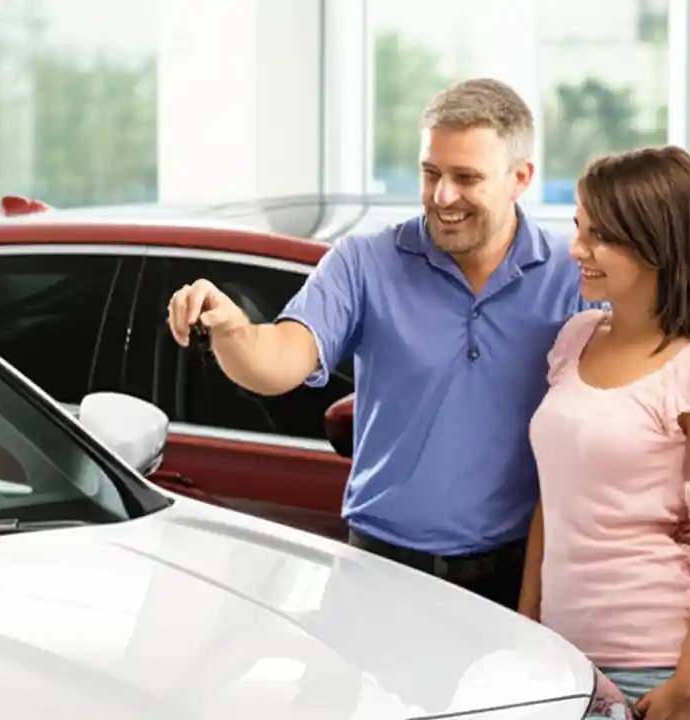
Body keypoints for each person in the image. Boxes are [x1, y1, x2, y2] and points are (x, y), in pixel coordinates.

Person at [165, 77, 588, 609]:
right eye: (430, 173)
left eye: (466, 178)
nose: (442, 196)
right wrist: (232, 328)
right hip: (380, 571)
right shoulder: (363, 263)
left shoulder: (572, 278)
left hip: (519, 575)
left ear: (520, 178)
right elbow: (279, 362)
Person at [522, 145, 690, 720]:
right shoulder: (576, 338)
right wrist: (526, 620)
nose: (578, 249)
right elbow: (554, 499)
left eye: (600, 236)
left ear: (657, 243)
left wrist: (688, 682)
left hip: (654, 664)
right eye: (580, 228)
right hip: (560, 655)